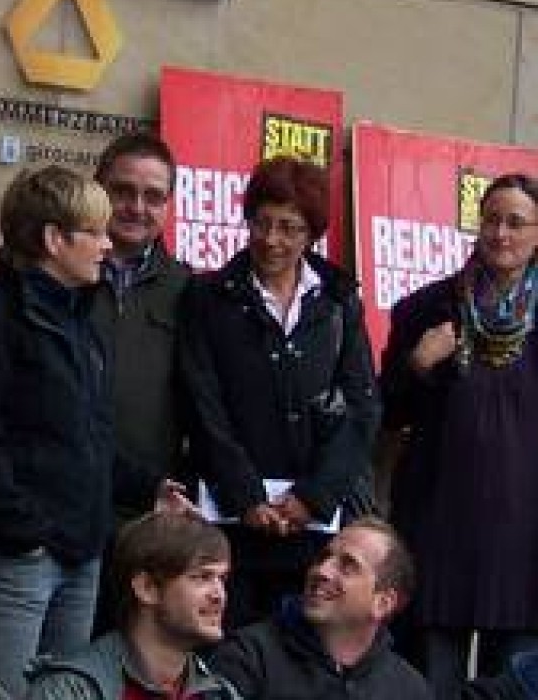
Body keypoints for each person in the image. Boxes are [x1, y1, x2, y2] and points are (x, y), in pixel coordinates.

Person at [0, 165, 188, 696]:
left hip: (81, 551)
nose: (106, 244)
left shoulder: (81, 321)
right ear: (53, 239)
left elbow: (88, 435)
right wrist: (22, 531)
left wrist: (148, 488)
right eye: (93, 232)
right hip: (17, 558)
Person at [177, 156, 379, 627]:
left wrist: (314, 497)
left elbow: (361, 405)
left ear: (311, 235)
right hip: (231, 524)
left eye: (289, 228)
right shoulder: (208, 298)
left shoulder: (338, 301)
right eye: (262, 223)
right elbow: (202, 404)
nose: (272, 240)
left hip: (314, 526)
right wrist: (245, 497)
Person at [381, 172, 538, 696]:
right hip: (437, 530)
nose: (500, 234)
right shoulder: (426, 310)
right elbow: (383, 413)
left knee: (513, 685)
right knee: (429, 683)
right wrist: (418, 365)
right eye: (491, 220)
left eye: (516, 222)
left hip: (523, 541)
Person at [208, 517, 430, 700]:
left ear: (382, 603)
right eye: (323, 557)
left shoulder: (409, 689)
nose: (322, 571)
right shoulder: (247, 657)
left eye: (347, 565)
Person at [24, 512, 240, 700]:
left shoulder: (218, 694)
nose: (219, 595)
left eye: (222, 579)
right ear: (146, 588)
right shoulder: (69, 690)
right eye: (202, 577)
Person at [92, 133, 192, 519]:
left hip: (150, 504)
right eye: (123, 191)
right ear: (97, 190)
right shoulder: (62, 276)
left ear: (168, 205)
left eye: (153, 197)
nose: (137, 207)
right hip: (65, 496)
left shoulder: (187, 290)